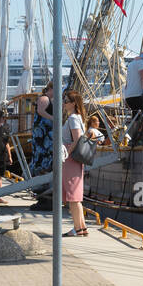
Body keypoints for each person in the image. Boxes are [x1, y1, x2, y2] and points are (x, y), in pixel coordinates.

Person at [60, 92, 89, 238]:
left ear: (73, 103)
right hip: (74, 158)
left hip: (70, 158)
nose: (63, 103)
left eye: (66, 101)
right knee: (74, 195)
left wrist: (67, 153)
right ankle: (81, 227)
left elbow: (77, 138)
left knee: (73, 196)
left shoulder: (72, 118)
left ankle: (77, 229)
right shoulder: (77, 118)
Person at [0, 108, 13, 191]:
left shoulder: (5, 128)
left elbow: (7, 143)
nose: (4, 119)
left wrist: (10, 156)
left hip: (2, 155)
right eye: (2, 117)